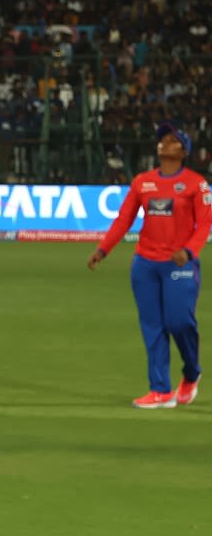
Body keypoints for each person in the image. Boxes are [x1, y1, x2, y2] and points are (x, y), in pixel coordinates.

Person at [88, 122, 209, 408]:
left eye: (172, 140)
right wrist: (103, 249)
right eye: (162, 139)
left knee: (179, 322)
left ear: (184, 151)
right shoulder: (142, 182)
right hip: (145, 265)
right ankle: (160, 390)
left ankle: (191, 373)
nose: (163, 143)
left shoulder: (195, 184)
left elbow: (204, 225)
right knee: (152, 326)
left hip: (178, 264)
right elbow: (124, 219)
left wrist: (189, 252)